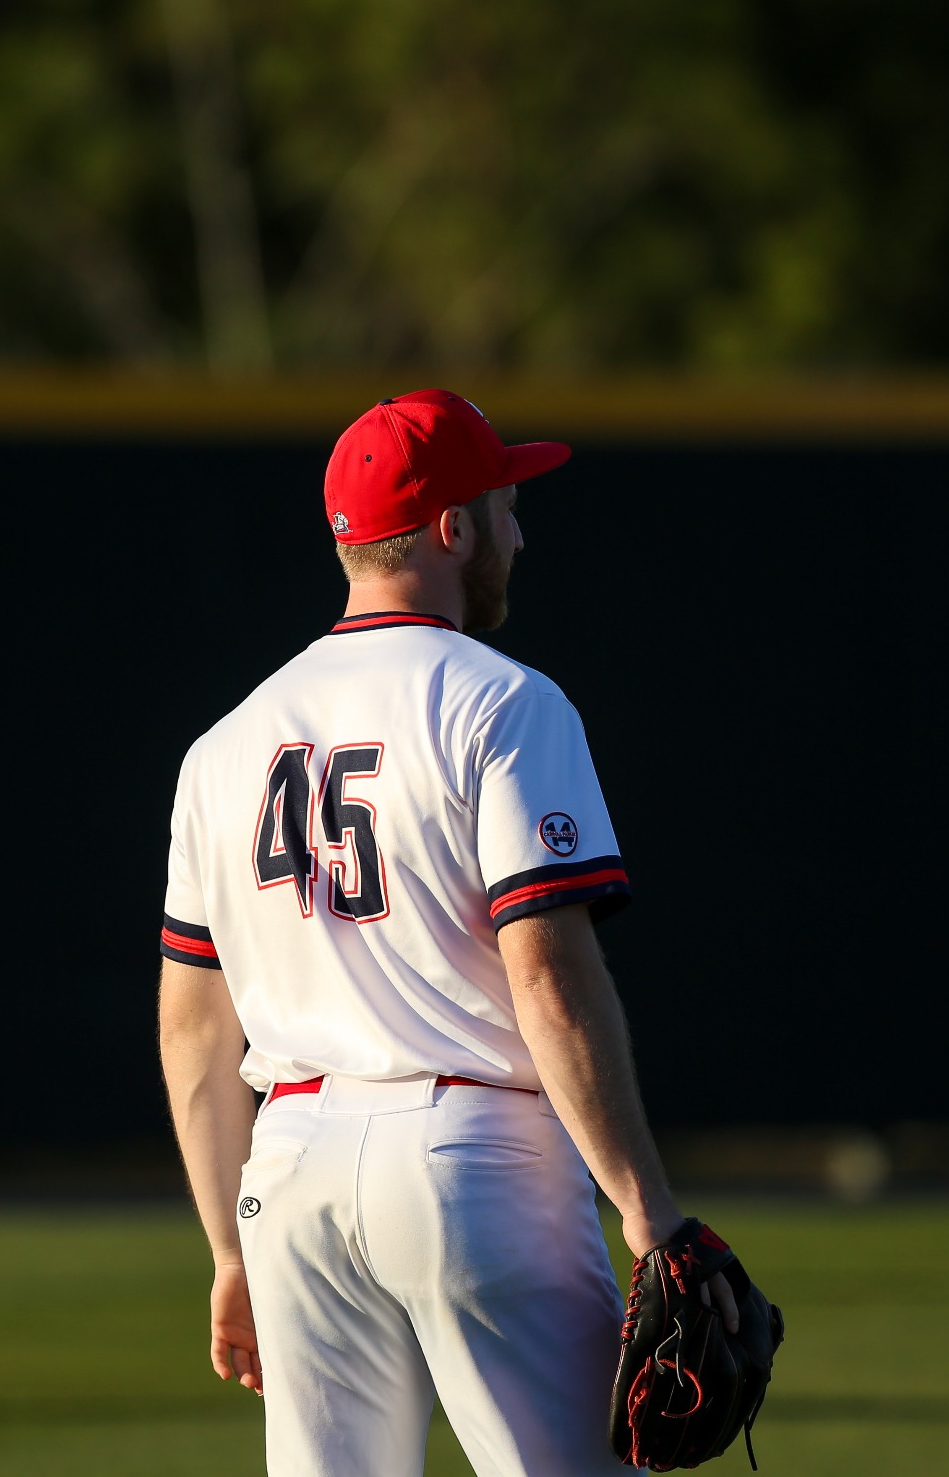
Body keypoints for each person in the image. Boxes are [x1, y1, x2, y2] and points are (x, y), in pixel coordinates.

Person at [157, 391, 736, 1476]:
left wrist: (230, 1249)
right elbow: (548, 980)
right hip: (470, 1155)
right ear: (451, 529)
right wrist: (647, 1209)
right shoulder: (502, 704)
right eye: (505, 507)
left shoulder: (223, 745)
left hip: (289, 1170)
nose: (519, 533)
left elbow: (192, 1028)